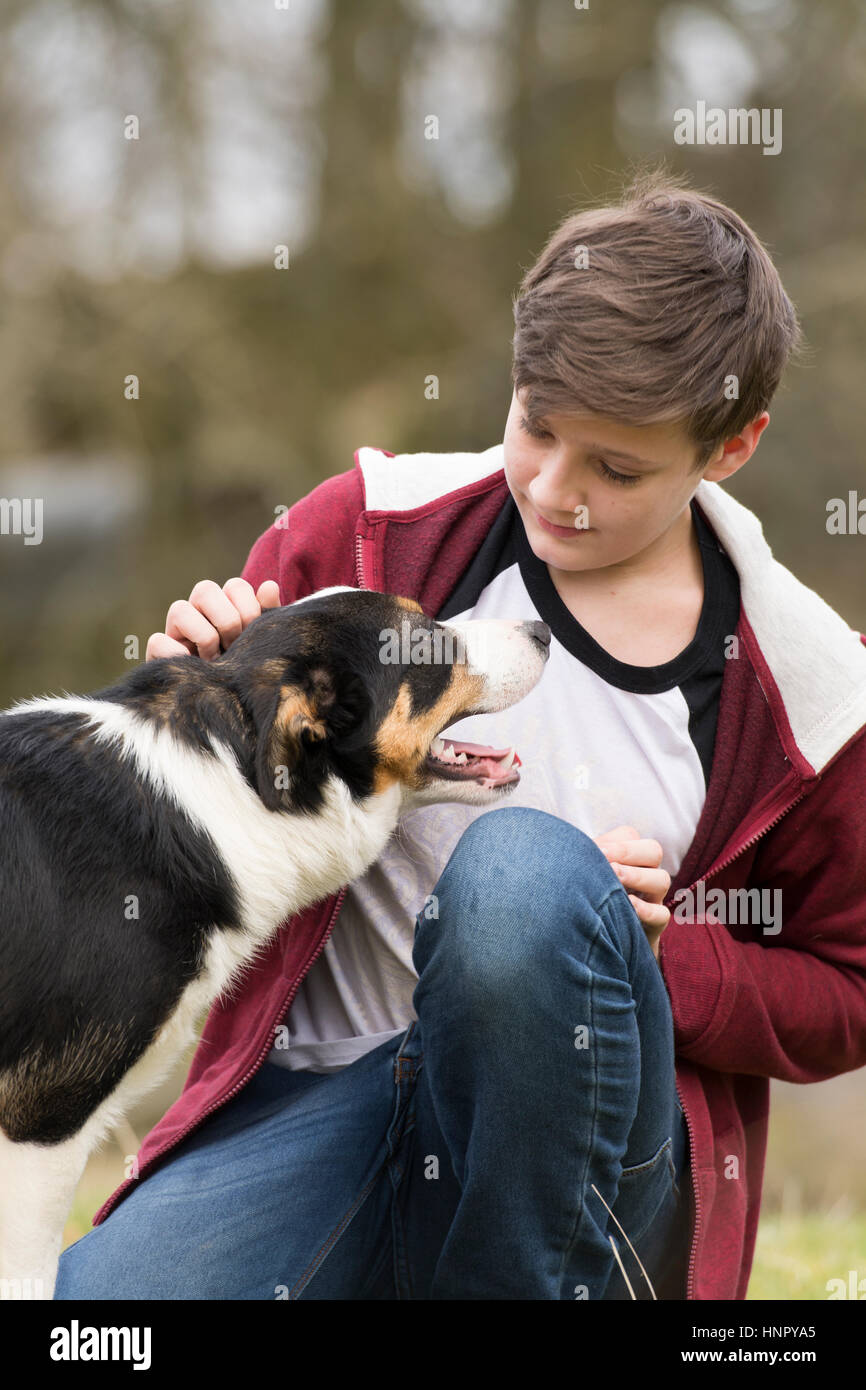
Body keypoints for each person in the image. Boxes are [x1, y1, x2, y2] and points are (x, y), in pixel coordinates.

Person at [55, 168, 866, 1301]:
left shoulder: (807, 688)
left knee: (521, 879)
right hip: (314, 1112)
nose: (551, 485)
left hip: (580, 1168)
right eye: (534, 425)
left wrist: (658, 950)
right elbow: (193, 840)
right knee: (102, 1319)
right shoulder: (361, 533)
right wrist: (197, 705)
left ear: (729, 449)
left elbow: (846, 987)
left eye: (615, 468)